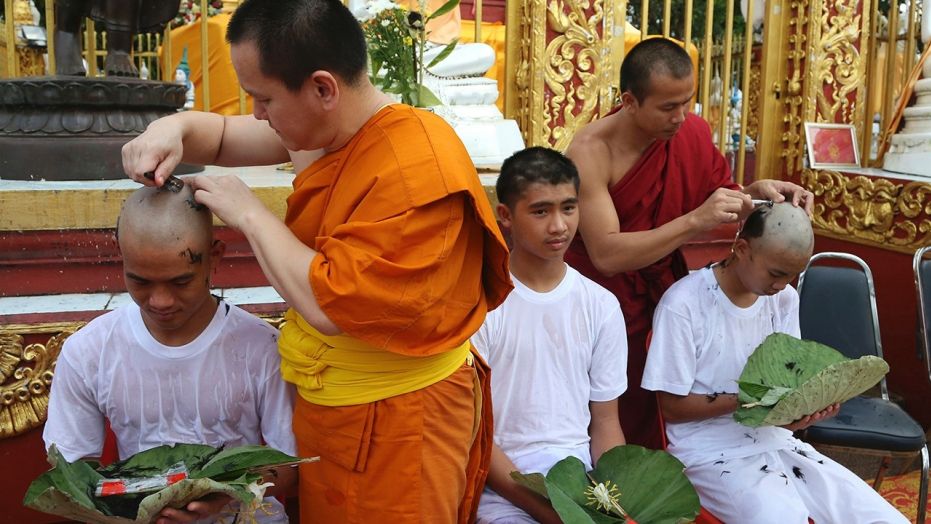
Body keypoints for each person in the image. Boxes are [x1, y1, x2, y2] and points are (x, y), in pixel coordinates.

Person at [120, 0, 513, 522]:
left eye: (264, 98)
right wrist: (170, 129)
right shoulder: (319, 133)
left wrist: (251, 216)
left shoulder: (414, 163)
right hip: (332, 414)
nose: (257, 113)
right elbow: (219, 135)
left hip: (403, 419)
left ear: (323, 88)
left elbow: (331, 306)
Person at [564, 37, 814, 449]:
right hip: (605, 305)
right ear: (629, 101)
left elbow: (717, 196)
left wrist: (755, 191)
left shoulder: (691, 132)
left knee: (661, 425)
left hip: (660, 294)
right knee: (608, 419)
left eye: (688, 102)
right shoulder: (591, 151)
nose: (681, 117)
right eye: (667, 107)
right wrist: (695, 221)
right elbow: (607, 255)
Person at [43, 185, 297, 524]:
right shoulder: (89, 350)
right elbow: (71, 469)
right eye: (140, 282)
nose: (160, 301)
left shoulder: (262, 346)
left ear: (215, 257)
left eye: (180, 282)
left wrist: (229, 493)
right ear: (123, 260)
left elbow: (293, 465)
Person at [641, 202, 908, 523]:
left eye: (793, 275)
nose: (782, 285)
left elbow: (782, 393)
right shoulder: (683, 303)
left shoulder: (783, 300)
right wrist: (747, 400)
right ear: (742, 248)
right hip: (707, 451)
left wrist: (801, 413)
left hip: (776, 442)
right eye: (776, 273)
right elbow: (671, 407)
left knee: (880, 518)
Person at [471, 147, 627, 524]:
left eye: (569, 208)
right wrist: (547, 509)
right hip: (502, 491)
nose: (559, 226)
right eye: (541, 211)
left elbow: (605, 423)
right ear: (505, 215)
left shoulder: (600, 305)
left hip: (580, 482)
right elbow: (475, 436)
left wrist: (614, 498)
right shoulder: (481, 305)